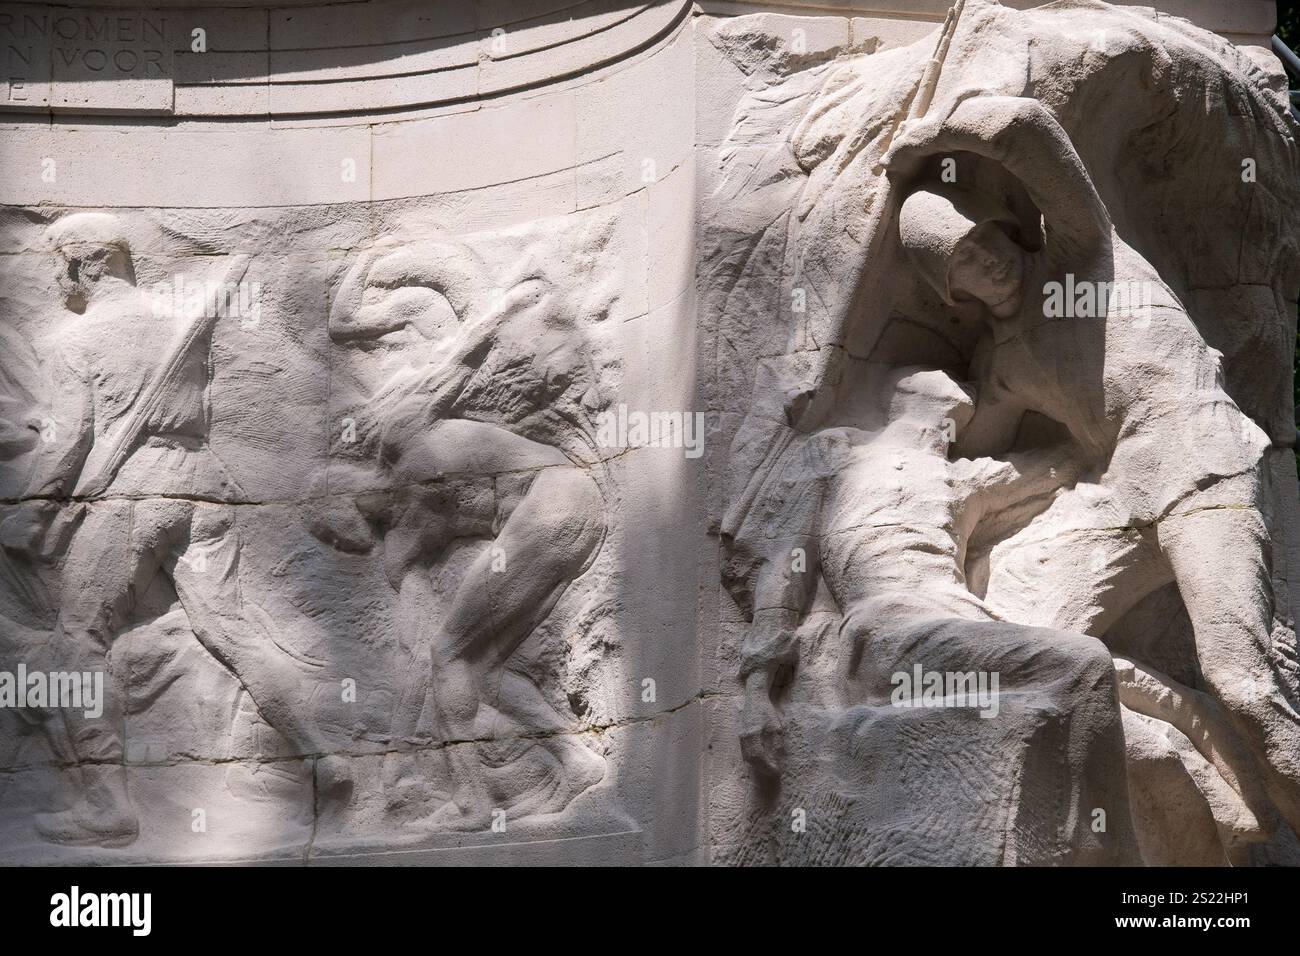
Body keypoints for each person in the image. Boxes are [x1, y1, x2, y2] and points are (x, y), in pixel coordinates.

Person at [884, 95, 1300, 835]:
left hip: (1201, 468)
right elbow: (973, 443)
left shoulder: (1083, 250)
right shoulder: (1003, 364)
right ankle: (1211, 787)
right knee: (1026, 655)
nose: (983, 262)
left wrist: (933, 134)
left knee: (1242, 680)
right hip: (1116, 496)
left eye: (982, 243)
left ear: (1007, 232)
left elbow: (1029, 129)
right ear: (958, 294)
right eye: (963, 267)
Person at [23, 213, 336, 846]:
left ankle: (106, 807)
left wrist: (30, 508)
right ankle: (325, 756)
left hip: (133, 492)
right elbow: (207, 409)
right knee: (236, 631)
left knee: (81, 640)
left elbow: (69, 441)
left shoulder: (76, 341)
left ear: (86, 265)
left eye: (60, 266)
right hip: (203, 483)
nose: (57, 280)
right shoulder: (176, 324)